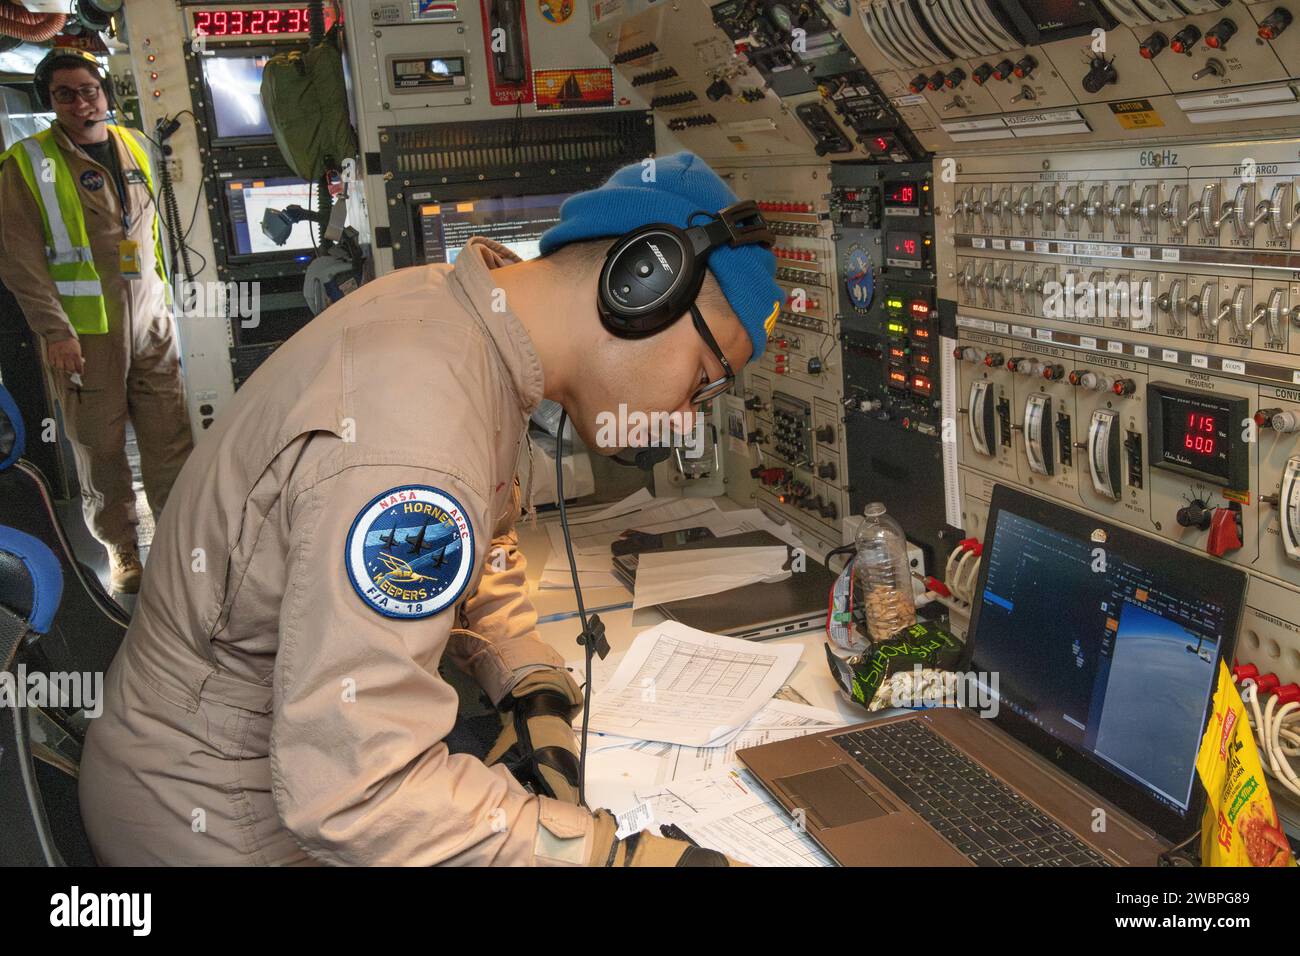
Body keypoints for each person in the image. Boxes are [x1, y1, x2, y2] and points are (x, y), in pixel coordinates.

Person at [78, 151, 783, 866]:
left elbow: (467, 538)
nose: (685, 419)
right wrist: (611, 856)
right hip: (219, 815)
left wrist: (525, 678)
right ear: (646, 286)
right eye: (703, 380)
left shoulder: (459, 318)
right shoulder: (419, 424)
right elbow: (360, 792)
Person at [0, 47, 193, 593]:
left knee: (170, 437)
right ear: (51, 102)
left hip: (152, 322)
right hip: (85, 334)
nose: (81, 102)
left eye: (89, 90)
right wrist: (55, 331)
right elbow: (18, 258)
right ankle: (123, 548)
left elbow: (153, 237)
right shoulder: (27, 163)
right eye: (65, 94)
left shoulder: (135, 145)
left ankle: (180, 542)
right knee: (100, 446)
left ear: (104, 92)